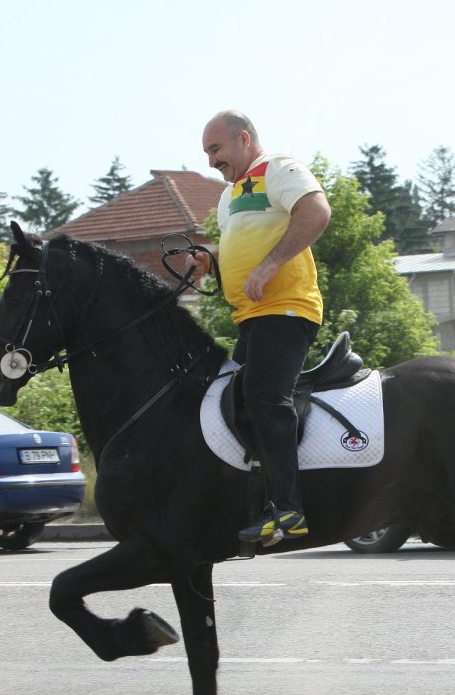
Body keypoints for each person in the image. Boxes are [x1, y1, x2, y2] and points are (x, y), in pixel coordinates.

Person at [190, 110, 331, 547]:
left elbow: (316, 211)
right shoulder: (229, 196)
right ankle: (258, 499)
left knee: (266, 396)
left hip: (288, 308)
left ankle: (290, 509)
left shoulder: (280, 169)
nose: (211, 161)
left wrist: (271, 265)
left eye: (216, 149)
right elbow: (241, 245)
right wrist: (210, 262)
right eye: (206, 153)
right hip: (252, 318)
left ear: (244, 139)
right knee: (230, 400)